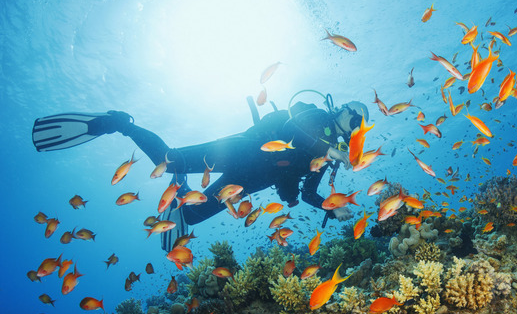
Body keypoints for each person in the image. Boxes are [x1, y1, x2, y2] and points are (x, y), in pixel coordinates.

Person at [32, 93, 370, 250]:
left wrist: (331, 205)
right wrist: (331, 150)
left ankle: (179, 190)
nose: (354, 127)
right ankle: (120, 124)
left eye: (360, 127)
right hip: (243, 149)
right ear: (342, 110)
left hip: (251, 181)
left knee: (191, 218)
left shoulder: (329, 158)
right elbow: (294, 130)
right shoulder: (317, 119)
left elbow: (308, 193)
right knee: (170, 161)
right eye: (355, 118)